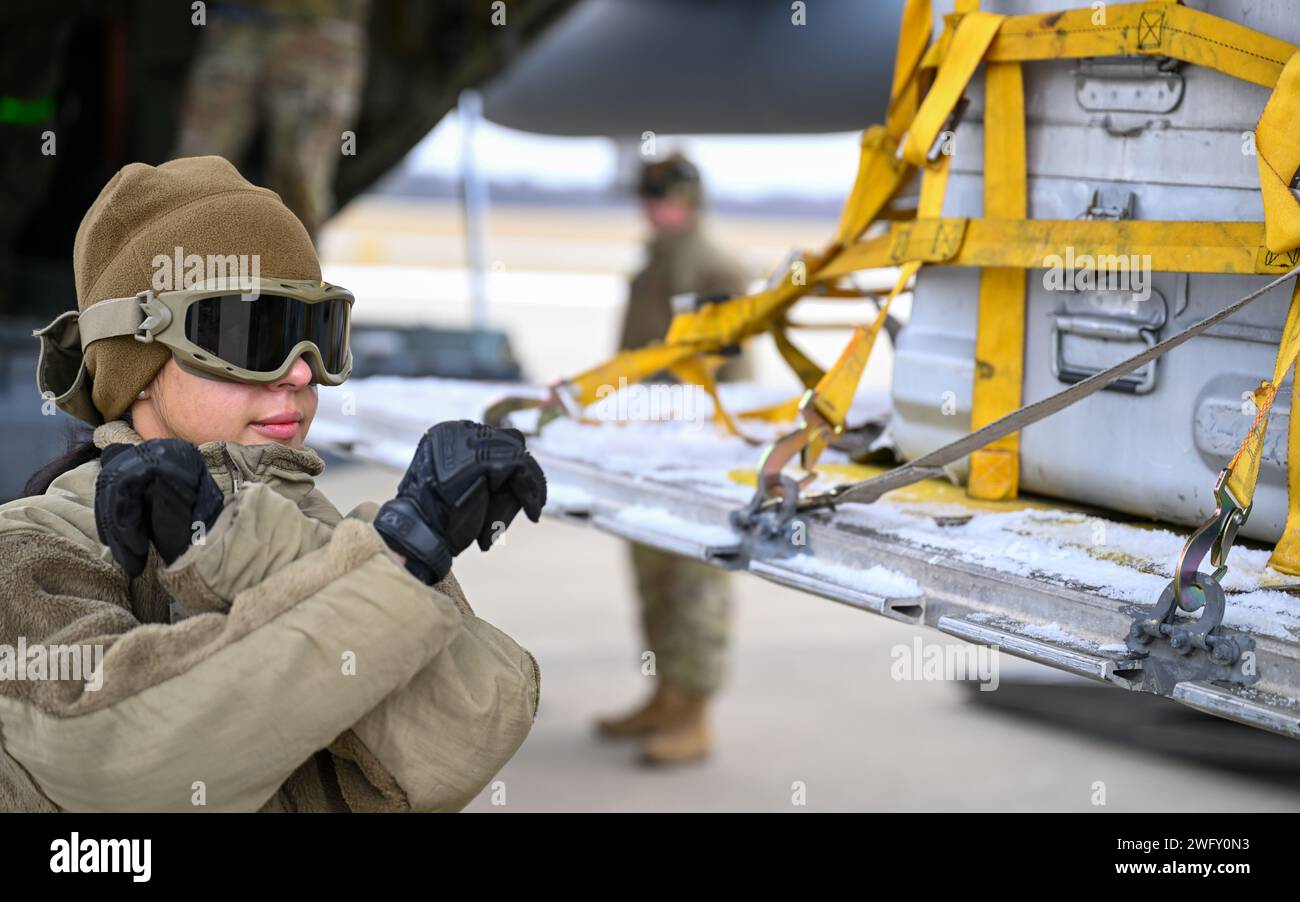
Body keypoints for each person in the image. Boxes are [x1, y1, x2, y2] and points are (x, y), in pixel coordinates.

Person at [0, 156, 546, 812]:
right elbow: (118, 768)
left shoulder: (339, 535)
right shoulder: (34, 546)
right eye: (253, 334)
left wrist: (241, 549)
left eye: (317, 336)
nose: (297, 374)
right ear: (136, 361)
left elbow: (469, 735)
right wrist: (397, 563)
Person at [595, 152, 750, 765]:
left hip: (696, 446)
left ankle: (696, 715)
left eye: (665, 196)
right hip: (648, 442)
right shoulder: (656, 262)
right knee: (654, 574)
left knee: (695, 582)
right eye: (649, 196)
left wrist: (706, 438)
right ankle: (665, 695)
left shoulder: (710, 263)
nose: (654, 207)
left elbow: (726, 366)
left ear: (691, 199)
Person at [173, 0, 371, 240]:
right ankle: (180, 267)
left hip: (320, 30)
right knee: (192, 174)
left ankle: (294, 271)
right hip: (236, 23)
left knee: (300, 182)